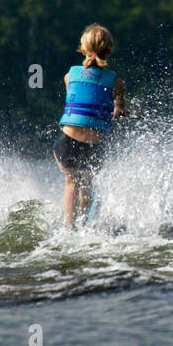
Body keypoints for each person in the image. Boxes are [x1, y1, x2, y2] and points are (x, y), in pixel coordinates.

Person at [54, 23, 126, 227]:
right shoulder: (116, 82)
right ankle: (83, 225)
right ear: (109, 50)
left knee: (71, 181)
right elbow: (118, 110)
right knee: (87, 184)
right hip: (94, 145)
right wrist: (118, 110)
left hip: (68, 141)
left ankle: (69, 228)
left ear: (83, 49)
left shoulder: (70, 75)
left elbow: (75, 96)